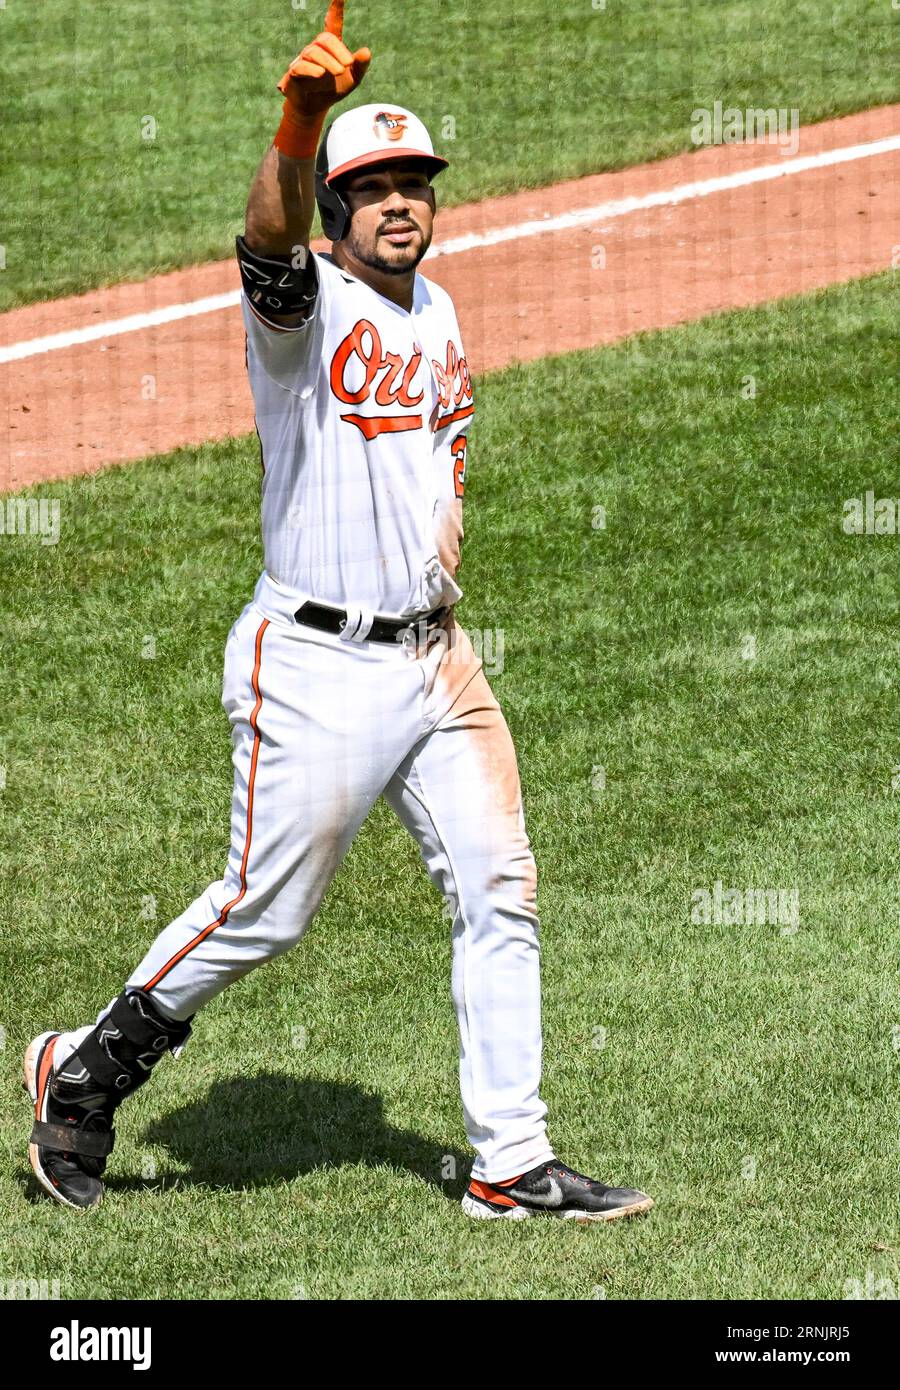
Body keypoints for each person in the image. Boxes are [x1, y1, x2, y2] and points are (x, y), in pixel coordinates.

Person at [24, 0, 653, 1224]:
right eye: (373, 188)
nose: (401, 202)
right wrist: (300, 119)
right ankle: (85, 1068)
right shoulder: (300, 310)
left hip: (436, 662)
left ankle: (509, 1163)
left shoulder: (443, 310)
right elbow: (261, 239)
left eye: (416, 182)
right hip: (314, 665)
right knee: (265, 911)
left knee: (499, 885)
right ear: (335, 211)